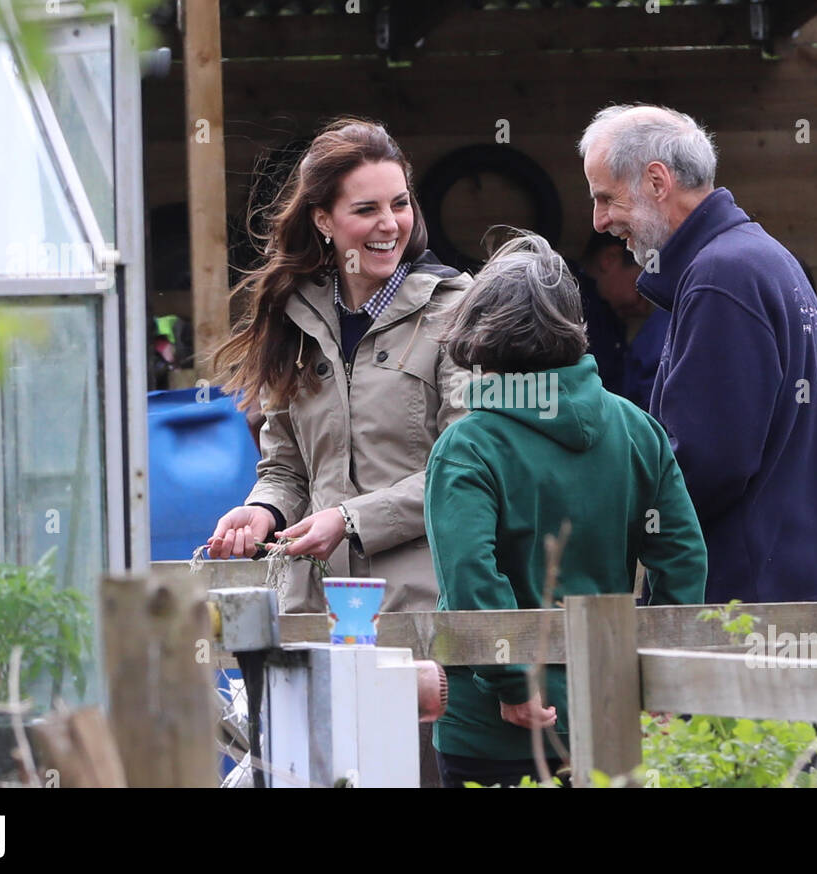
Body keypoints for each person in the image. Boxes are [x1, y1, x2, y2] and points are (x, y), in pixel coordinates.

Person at [424, 230, 707, 788]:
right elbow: (682, 557)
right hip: (607, 715)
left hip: (492, 731)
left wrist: (513, 685)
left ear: (480, 332)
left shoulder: (467, 447)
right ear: (572, 324)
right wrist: (660, 677)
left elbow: (472, 579)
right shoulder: (637, 429)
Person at [579, 104, 817, 605]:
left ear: (657, 181)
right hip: (787, 585)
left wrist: (599, 517)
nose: (599, 222)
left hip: (742, 606)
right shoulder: (759, 257)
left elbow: (706, 462)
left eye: (605, 198)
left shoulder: (721, 277)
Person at [205, 117, 473, 614]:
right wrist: (263, 510)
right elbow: (285, 468)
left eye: (399, 203)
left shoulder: (457, 311)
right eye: (366, 209)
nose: (390, 224)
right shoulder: (293, 319)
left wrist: (350, 520)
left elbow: (464, 471)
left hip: (425, 610)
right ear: (323, 221)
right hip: (314, 608)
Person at [572, 231, 668, 411]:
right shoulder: (566, 308)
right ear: (609, 259)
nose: (642, 310)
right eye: (641, 293)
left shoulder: (607, 321)